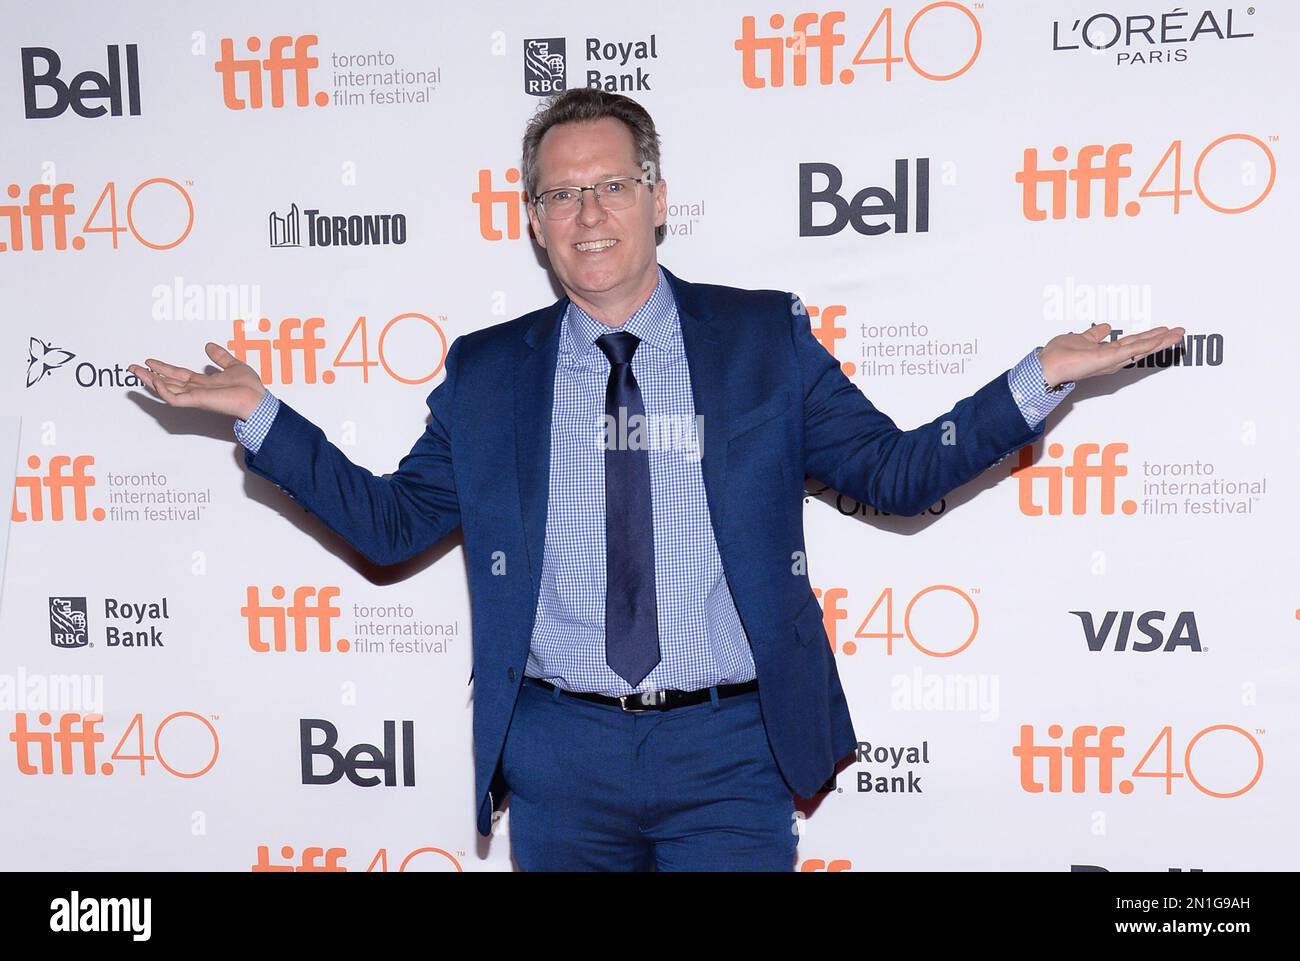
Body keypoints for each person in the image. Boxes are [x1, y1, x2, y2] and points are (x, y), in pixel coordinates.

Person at [129, 88, 1185, 871]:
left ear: (658, 197)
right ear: (532, 219)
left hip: (729, 755)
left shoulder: (760, 340)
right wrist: (259, 415)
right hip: (558, 756)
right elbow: (394, 522)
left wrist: (1033, 379)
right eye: (562, 194)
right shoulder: (490, 371)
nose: (590, 214)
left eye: (611, 186)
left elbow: (893, 473)